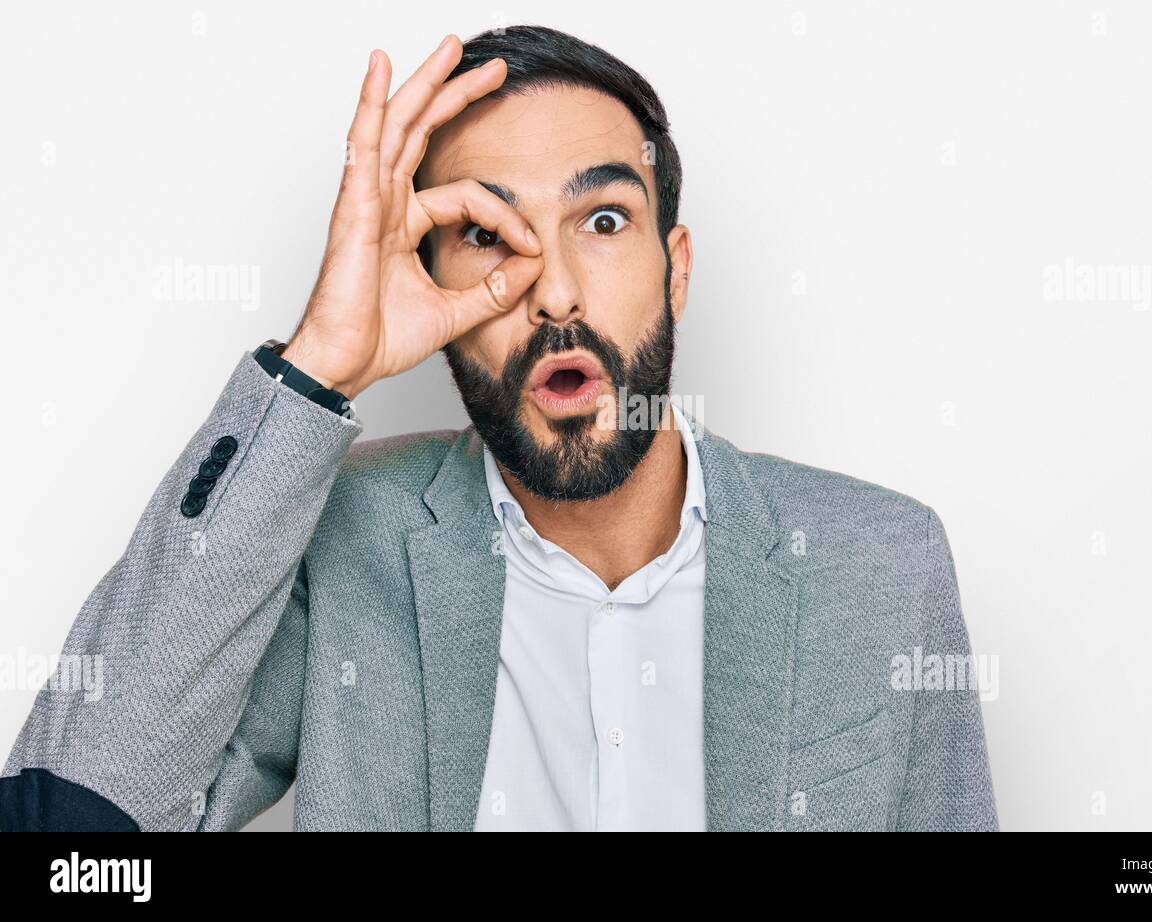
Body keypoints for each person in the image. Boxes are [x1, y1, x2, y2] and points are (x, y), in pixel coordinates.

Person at [0, 25, 996, 831]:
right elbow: (71, 824)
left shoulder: (881, 562)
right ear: (429, 283)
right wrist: (318, 364)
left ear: (675, 265)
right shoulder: (339, 541)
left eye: (602, 222)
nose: (554, 292)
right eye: (486, 234)